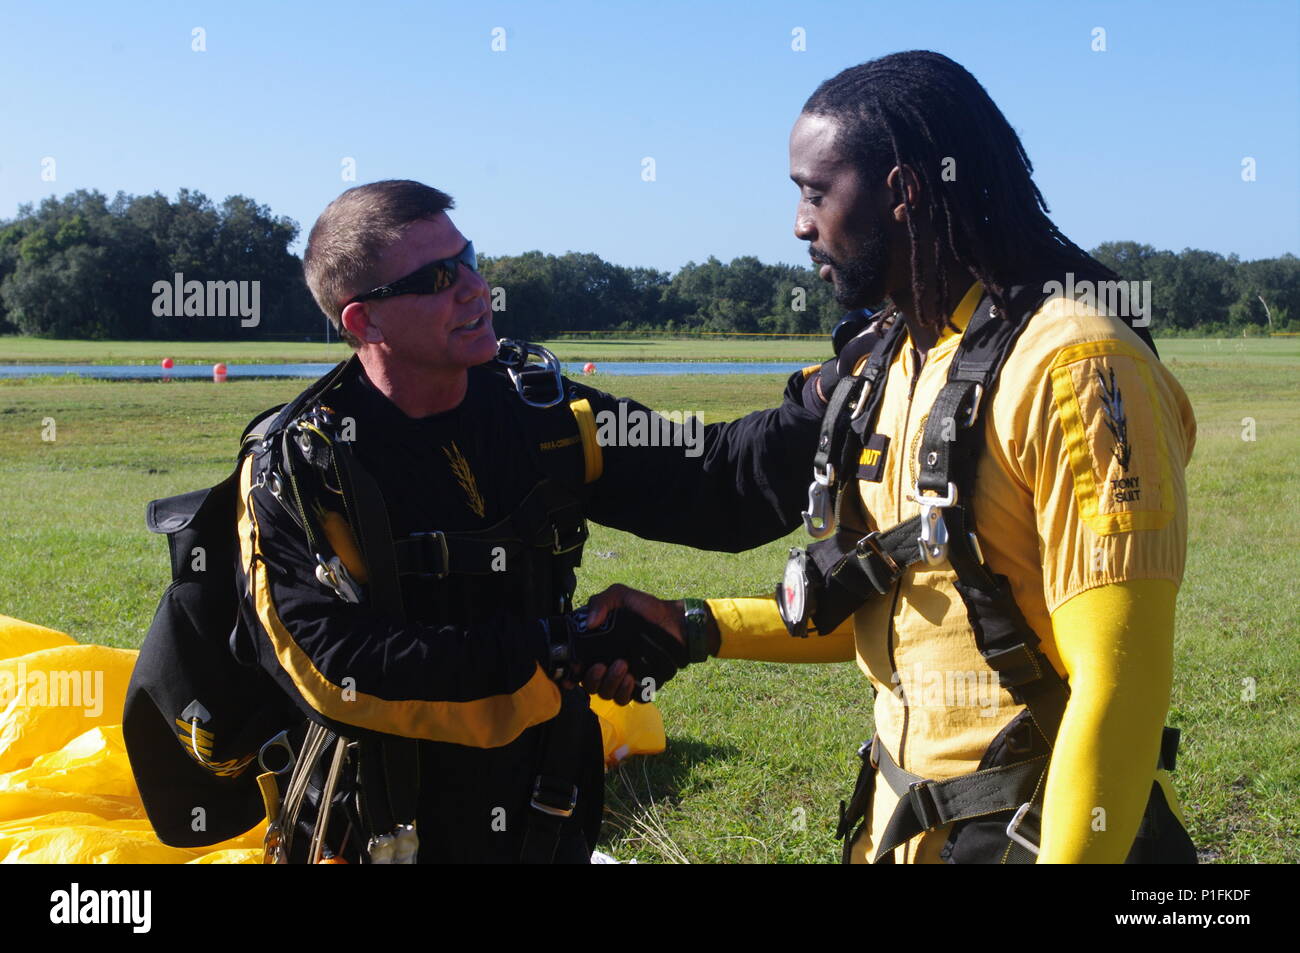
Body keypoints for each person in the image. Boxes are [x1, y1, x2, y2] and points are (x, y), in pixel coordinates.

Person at [587, 51, 1198, 864]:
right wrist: (698, 627)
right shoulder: (894, 364)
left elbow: (1119, 686)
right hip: (901, 826)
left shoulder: (1076, 365)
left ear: (904, 191)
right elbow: (895, 604)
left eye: (814, 192)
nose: (801, 226)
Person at [224, 179, 827, 863]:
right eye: (438, 278)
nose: (476, 289)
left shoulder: (541, 412)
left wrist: (824, 397)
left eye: (471, 259)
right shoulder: (301, 465)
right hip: (380, 829)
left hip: (545, 807)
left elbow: (712, 478)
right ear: (364, 321)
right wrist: (558, 647)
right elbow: (331, 668)